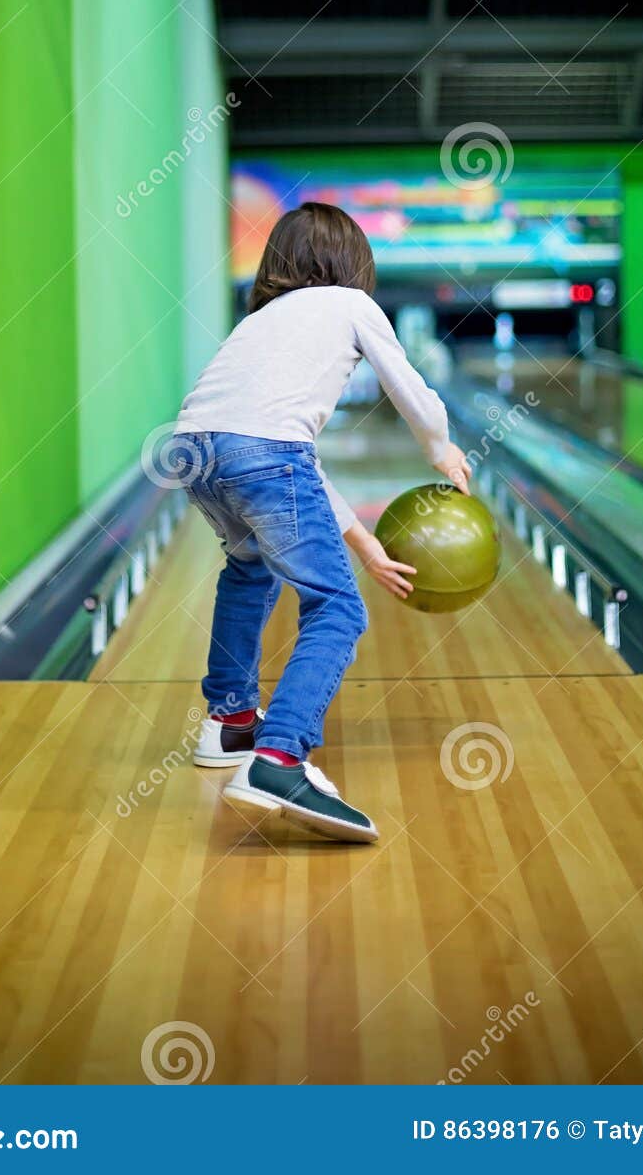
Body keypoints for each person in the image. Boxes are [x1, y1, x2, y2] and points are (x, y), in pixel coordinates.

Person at [171, 201, 470, 844]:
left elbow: (280, 462)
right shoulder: (351, 304)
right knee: (338, 609)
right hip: (264, 455)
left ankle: (230, 722)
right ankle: (279, 758)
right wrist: (439, 445)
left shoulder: (257, 322)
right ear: (352, 262)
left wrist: (361, 541)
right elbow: (406, 385)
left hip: (193, 450)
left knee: (249, 570)